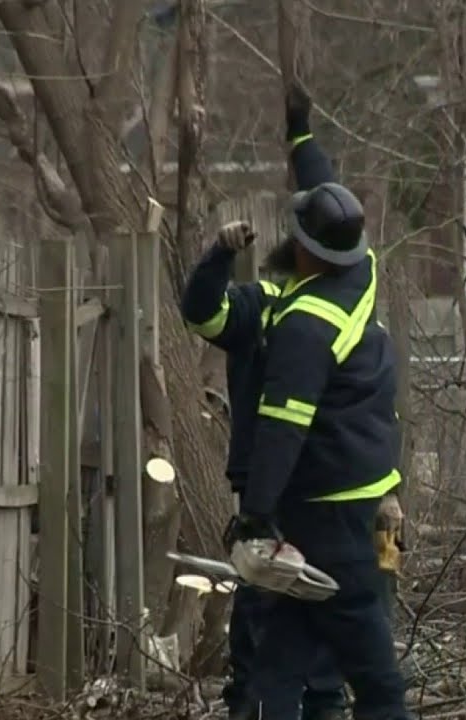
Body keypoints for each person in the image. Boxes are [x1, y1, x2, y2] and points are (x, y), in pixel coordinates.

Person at [219, 85, 412, 720]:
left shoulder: (305, 326)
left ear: (303, 249)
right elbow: (331, 197)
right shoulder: (361, 272)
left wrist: (255, 516)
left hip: (326, 518)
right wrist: (302, 136)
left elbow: (282, 426)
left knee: (373, 680)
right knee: (282, 655)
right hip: (363, 495)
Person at [178, 85, 357, 720]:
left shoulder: (338, 296)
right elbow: (200, 312)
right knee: (265, 626)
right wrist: (219, 255)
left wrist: (303, 133)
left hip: (324, 492)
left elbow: (330, 205)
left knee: (317, 639)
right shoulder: (265, 308)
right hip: (276, 499)